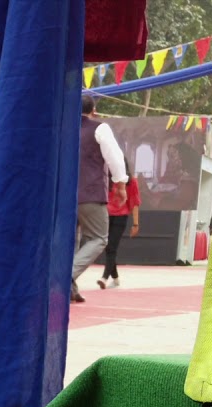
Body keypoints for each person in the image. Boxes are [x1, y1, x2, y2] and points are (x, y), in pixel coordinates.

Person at [71, 95, 127, 303]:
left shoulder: (63, 128)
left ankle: (70, 289)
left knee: (71, 242)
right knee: (99, 237)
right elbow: (115, 157)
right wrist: (121, 184)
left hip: (65, 197)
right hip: (90, 193)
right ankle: (66, 277)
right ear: (93, 110)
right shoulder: (99, 128)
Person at [99, 156, 139, 290]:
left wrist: (135, 224)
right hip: (106, 216)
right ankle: (115, 278)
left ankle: (104, 277)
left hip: (121, 217)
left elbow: (134, 203)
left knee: (112, 247)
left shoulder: (131, 181)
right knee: (108, 247)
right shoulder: (106, 178)